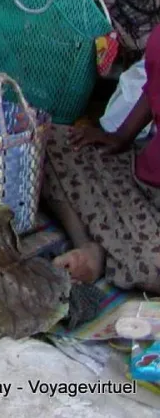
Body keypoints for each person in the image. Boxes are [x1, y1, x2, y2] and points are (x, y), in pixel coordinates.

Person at [44, 26, 160, 294]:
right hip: (142, 176)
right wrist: (122, 136)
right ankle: (88, 245)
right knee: (53, 143)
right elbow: (153, 81)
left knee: (151, 267)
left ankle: (114, 251)